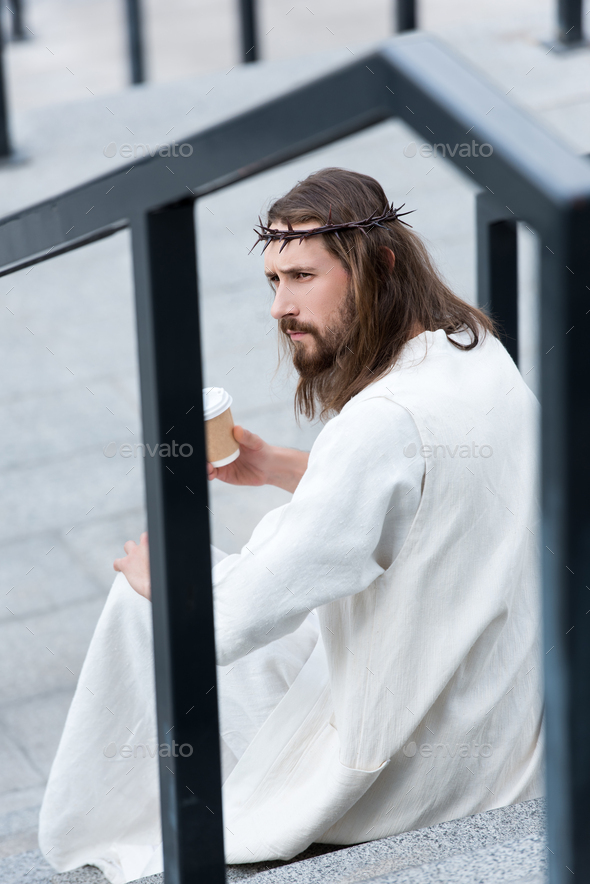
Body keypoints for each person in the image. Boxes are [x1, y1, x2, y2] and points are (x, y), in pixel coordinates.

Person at [38, 168, 544, 884]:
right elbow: (430, 498)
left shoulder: (381, 420)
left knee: (145, 603)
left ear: (380, 267)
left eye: (303, 276)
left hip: (415, 765)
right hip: (500, 720)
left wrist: (162, 580)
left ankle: (113, 826)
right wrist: (280, 466)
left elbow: (230, 620)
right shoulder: (472, 350)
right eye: (274, 281)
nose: (281, 306)